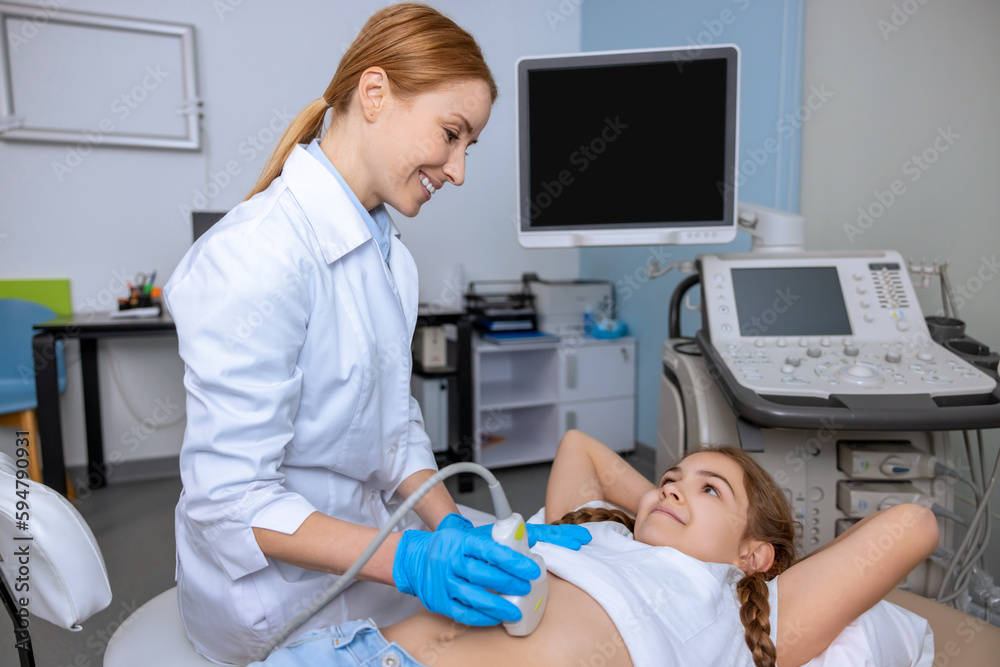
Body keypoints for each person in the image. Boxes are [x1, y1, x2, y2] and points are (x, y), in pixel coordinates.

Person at [163, 4, 588, 664]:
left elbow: (393, 430)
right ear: (375, 93)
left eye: (469, 146)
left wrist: (450, 524)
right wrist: (411, 558)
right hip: (273, 602)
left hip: (364, 567)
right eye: (451, 134)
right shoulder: (256, 255)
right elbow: (229, 502)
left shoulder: (391, 257)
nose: (458, 170)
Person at [251, 429, 940, 667]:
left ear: (754, 553)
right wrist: (652, 511)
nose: (674, 487)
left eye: (710, 489)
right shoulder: (597, 532)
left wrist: (700, 539)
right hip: (354, 654)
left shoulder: (742, 608)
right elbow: (578, 445)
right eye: (670, 477)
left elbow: (913, 524)